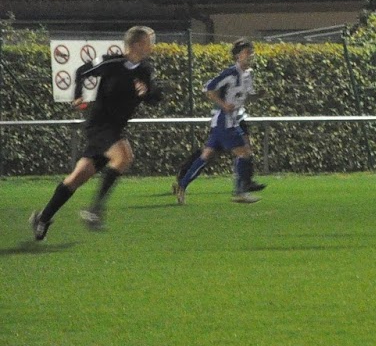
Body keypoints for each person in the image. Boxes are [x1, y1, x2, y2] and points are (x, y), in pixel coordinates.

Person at [30, 26, 163, 240]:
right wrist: (78, 95)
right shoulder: (111, 62)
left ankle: (42, 219)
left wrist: (147, 92)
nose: (152, 46)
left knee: (77, 178)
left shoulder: (145, 69)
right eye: (150, 41)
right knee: (124, 156)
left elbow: (154, 98)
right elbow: (82, 71)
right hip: (99, 125)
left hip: (115, 128)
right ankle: (94, 210)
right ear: (137, 44)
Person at [174, 39, 265, 204]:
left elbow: (246, 98)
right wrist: (223, 104)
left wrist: (258, 96)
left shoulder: (248, 75)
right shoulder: (230, 73)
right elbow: (208, 88)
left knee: (206, 155)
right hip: (225, 121)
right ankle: (240, 192)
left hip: (228, 121)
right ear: (238, 56)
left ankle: (182, 184)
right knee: (244, 153)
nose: (251, 55)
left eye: (252, 52)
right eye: (247, 52)